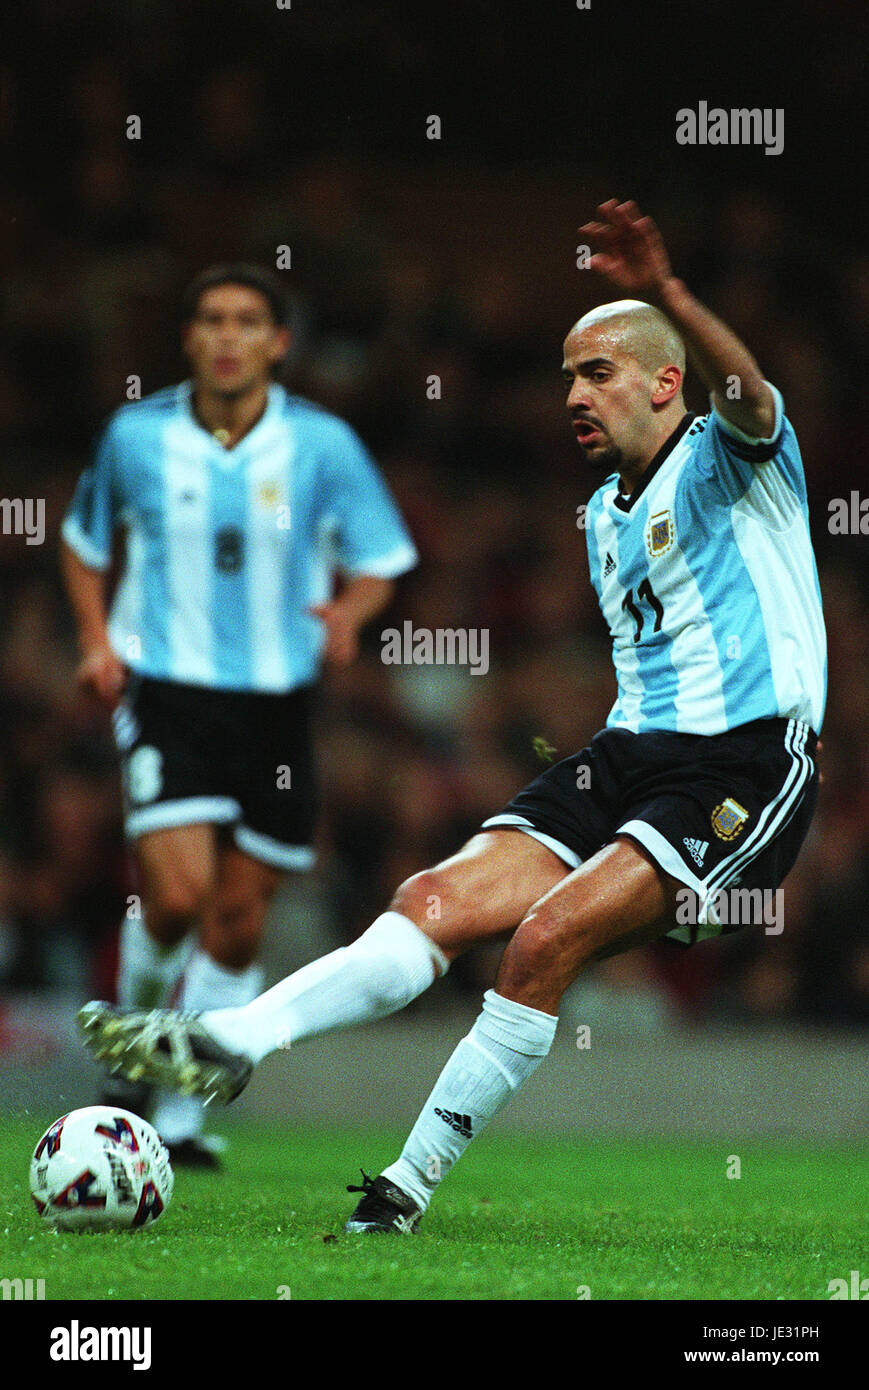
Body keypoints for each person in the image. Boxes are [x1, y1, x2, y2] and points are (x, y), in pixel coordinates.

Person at [78, 200, 826, 1228]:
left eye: (595, 371)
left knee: (542, 937)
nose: (571, 393)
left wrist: (666, 293)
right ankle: (231, 1039)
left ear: (663, 381)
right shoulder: (599, 516)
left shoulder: (737, 463)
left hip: (741, 768)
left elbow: (747, 393)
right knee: (428, 899)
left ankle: (401, 1190)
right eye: (565, 373)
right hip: (628, 753)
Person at [63, 264, 417, 1165]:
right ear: (189, 337)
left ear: (278, 341)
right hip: (167, 691)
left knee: (238, 921)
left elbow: (381, 558)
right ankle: (126, 1070)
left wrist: (349, 613)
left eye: (247, 320)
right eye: (211, 318)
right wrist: (98, 640)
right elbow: (82, 541)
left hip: (276, 709)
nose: (227, 335)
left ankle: (179, 1120)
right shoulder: (136, 438)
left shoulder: (322, 445)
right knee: (175, 897)